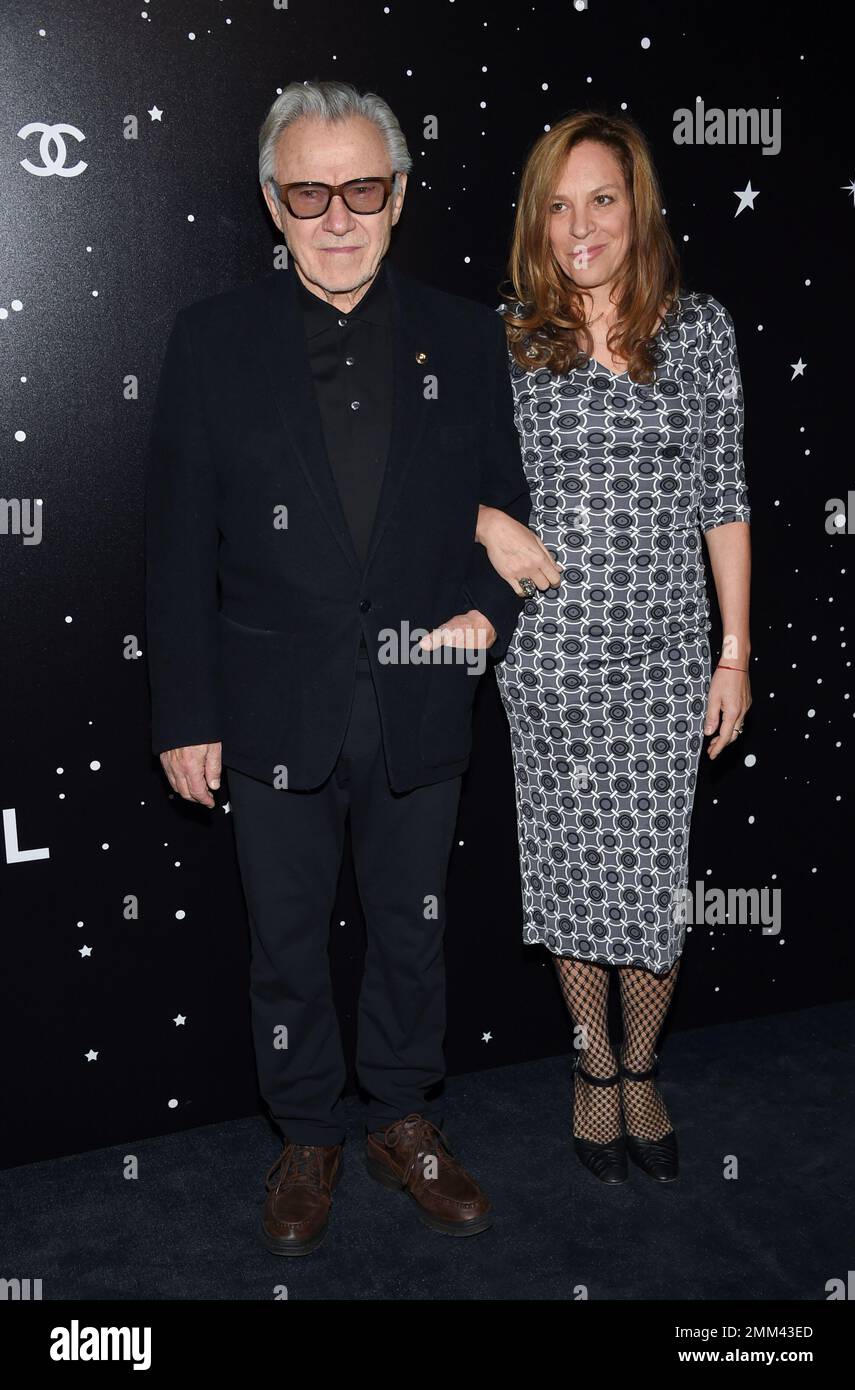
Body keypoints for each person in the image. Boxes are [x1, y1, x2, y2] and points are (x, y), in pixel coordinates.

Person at [145, 80, 530, 1254]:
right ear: (273, 202)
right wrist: (183, 713)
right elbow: (175, 546)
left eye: (361, 187)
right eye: (307, 191)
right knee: (286, 939)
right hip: (270, 706)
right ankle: (307, 1130)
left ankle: (402, 1119)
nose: (336, 214)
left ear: (398, 196)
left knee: (412, 933)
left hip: (418, 697)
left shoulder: (465, 335)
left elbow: (502, 507)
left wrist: (479, 625)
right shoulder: (212, 339)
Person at [476, 111, 752, 1185]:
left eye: (599, 198)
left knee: (648, 884)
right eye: (556, 203)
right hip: (543, 665)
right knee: (568, 881)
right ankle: (594, 1071)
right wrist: (479, 521)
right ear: (533, 221)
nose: (577, 224)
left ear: (636, 207)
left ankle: (641, 1065)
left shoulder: (698, 332)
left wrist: (732, 653)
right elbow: (423, 486)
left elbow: (722, 498)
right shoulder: (503, 340)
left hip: (663, 664)